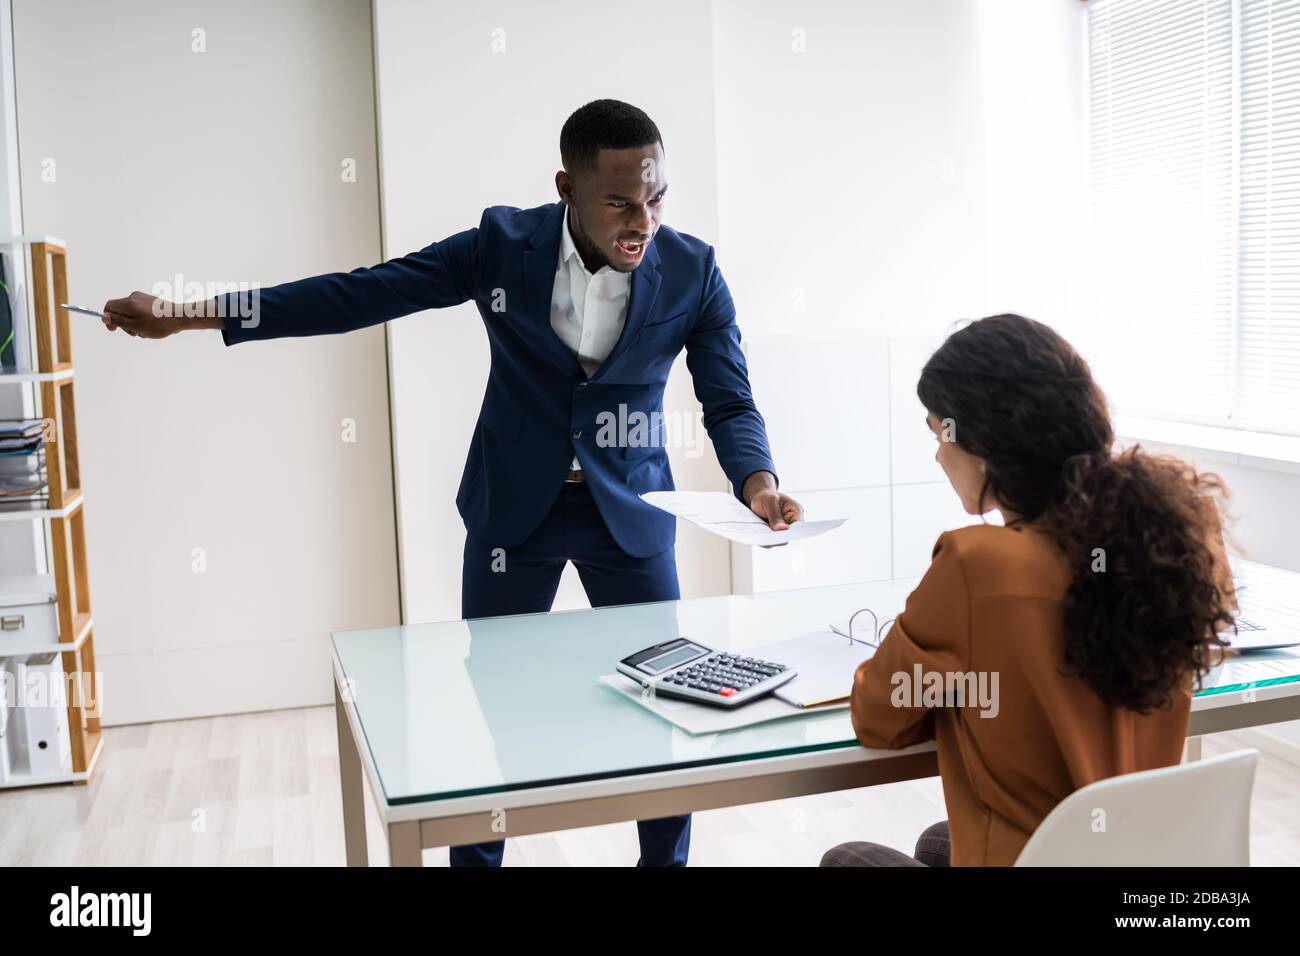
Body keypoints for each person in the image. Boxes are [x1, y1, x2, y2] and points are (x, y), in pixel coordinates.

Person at [99, 98, 804, 867]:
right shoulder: (504, 247)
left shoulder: (692, 271)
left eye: (657, 198)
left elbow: (729, 396)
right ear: (566, 187)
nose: (644, 220)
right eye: (620, 202)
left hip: (629, 518)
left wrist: (757, 484)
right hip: (513, 516)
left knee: (669, 705)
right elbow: (361, 292)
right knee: (494, 712)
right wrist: (190, 313)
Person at [822, 314, 1236, 867]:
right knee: (938, 842)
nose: (938, 454)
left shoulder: (976, 564)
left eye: (939, 433)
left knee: (849, 857)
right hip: (1138, 870)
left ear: (985, 444)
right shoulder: (1176, 541)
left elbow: (877, 719)